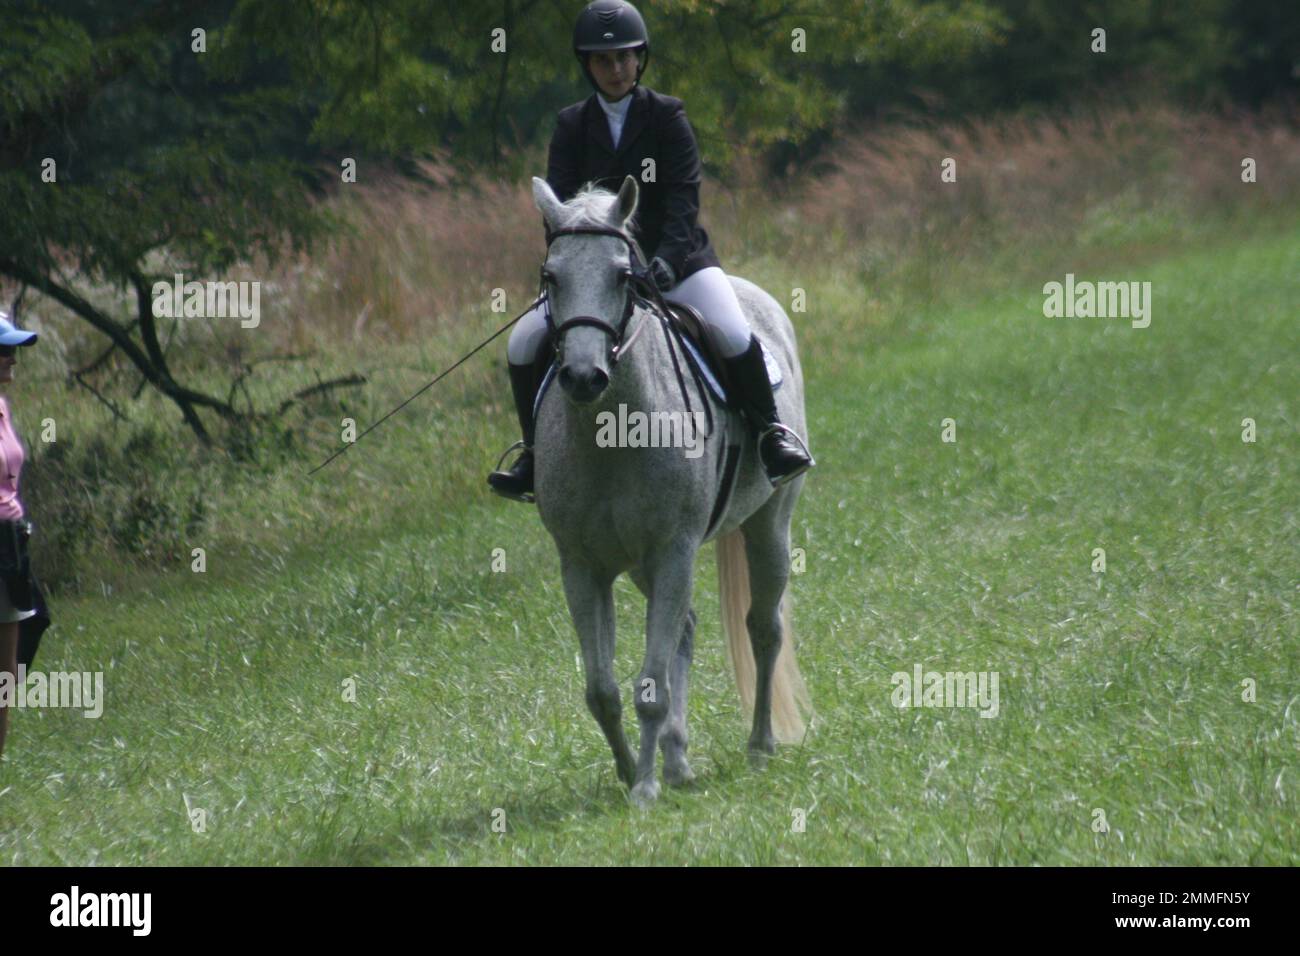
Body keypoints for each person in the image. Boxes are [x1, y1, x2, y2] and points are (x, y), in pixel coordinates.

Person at [488, 0, 814, 502]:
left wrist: (664, 261)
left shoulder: (667, 116)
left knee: (730, 328)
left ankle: (772, 436)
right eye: (603, 60)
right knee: (522, 341)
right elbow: (561, 209)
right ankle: (534, 455)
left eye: (624, 58)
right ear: (588, 65)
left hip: (676, 264)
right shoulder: (571, 125)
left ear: (640, 59)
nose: (615, 69)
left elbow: (684, 197)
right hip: (599, 275)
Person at [0, 310, 41, 761]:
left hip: (10, 547)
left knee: (5, 678)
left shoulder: (3, 408)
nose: (12, 357)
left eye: (13, 348)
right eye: (3, 348)